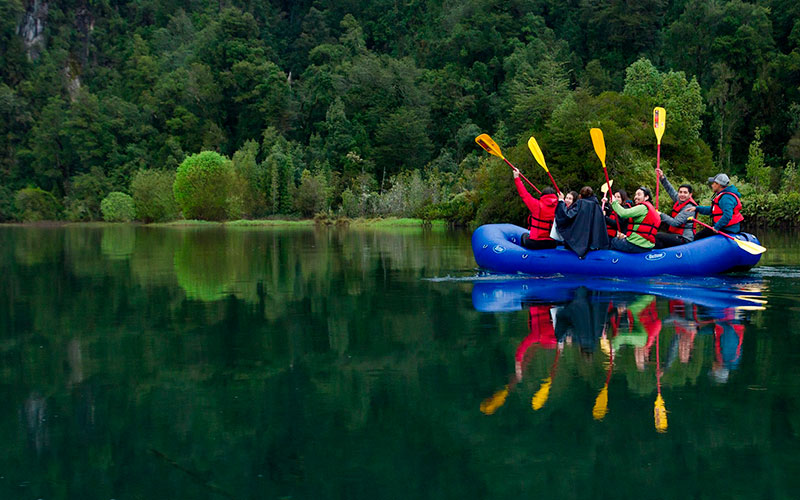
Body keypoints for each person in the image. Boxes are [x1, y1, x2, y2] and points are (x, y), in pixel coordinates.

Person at [554, 186, 610, 258]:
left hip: (579, 243)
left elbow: (567, 216)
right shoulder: (597, 206)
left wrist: (561, 201)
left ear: (580, 195)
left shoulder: (580, 203)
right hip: (594, 244)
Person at [512, 167, 558, 249]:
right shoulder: (559, 206)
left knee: (524, 235)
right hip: (551, 243)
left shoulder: (537, 205)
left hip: (535, 242)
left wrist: (517, 178)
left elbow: (524, 194)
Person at [690, 173, 744, 240]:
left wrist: (717, 227)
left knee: (698, 236)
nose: (712, 185)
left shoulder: (726, 198)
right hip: (724, 227)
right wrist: (696, 208)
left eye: (713, 183)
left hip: (728, 229)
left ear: (718, 184)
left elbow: (728, 215)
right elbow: (713, 210)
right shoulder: (723, 195)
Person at [608, 187, 660, 253]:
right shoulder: (651, 209)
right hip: (647, 245)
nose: (635, 197)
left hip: (637, 245)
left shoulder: (642, 207)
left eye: (639, 194)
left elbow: (624, 213)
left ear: (646, 197)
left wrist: (614, 202)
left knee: (613, 241)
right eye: (635, 195)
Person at [654, 168, 697, 248]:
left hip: (684, 238)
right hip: (676, 235)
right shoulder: (680, 200)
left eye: (685, 192)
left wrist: (661, 214)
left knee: (658, 236)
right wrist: (662, 177)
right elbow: (670, 190)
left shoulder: (689, 208)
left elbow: (675, 223)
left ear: (690, 195)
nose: (682, 194)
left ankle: (659, 257)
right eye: (680, 192)